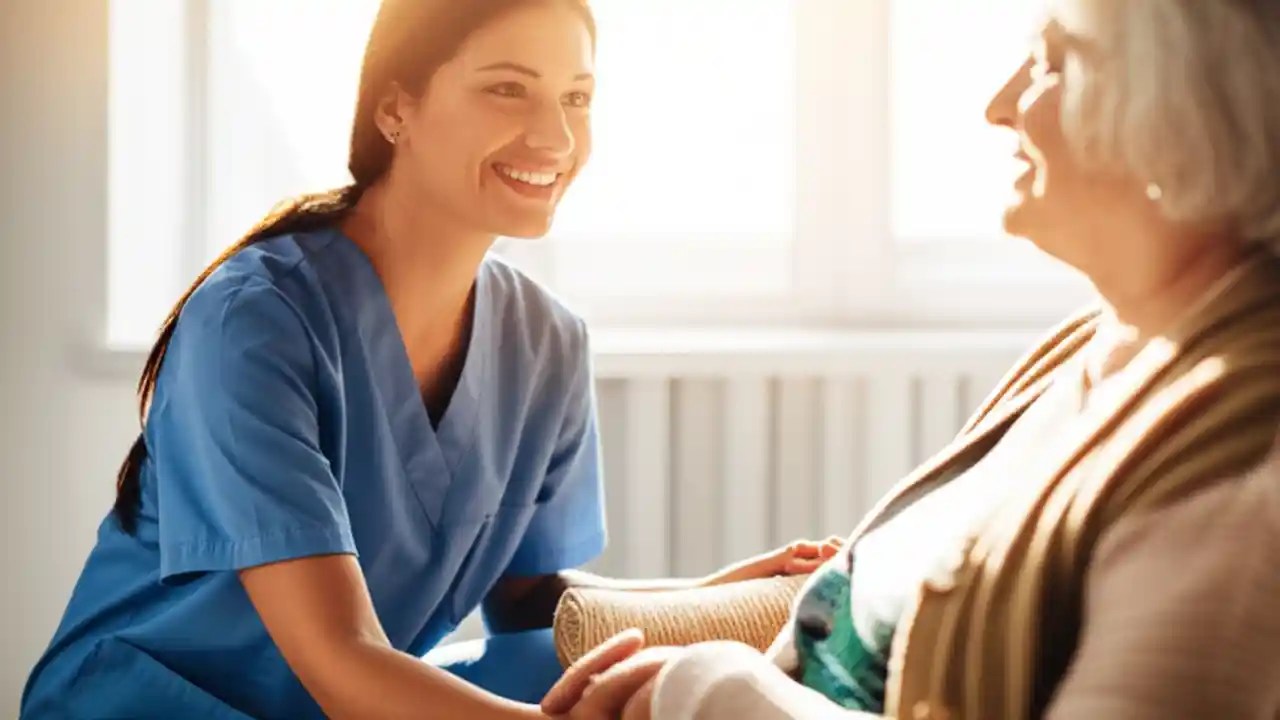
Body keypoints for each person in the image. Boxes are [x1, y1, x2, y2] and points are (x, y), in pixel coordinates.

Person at [19, 1, 839, 718]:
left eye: (577, 98)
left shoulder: (546, 342)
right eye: (507, 88)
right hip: (158, 707)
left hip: (360, 700)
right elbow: (341, 660)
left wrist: (723, 597)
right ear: (395, 109)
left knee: (601, 675)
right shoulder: (254, 323)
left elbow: (529, 607)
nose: (555, 136)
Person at [542, 0, 1280, 717]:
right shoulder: (1091, 351)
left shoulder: (1242, 476)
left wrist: (711, 689)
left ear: (1191, 103)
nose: (1000, 105)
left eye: (1052, 64)